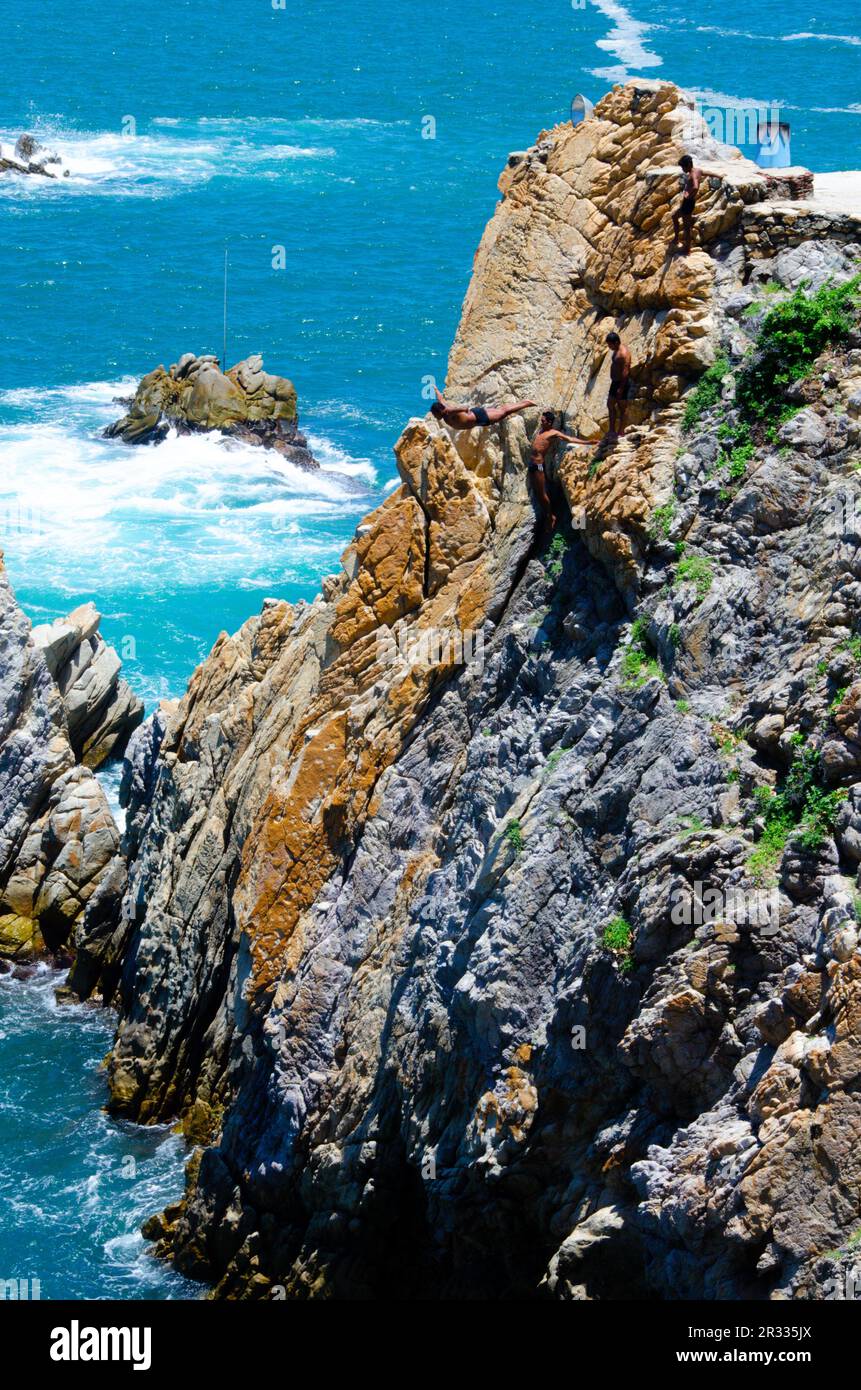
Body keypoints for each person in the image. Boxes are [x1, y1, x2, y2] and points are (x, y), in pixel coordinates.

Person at [529, 410, 590, 530]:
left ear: (549, 422)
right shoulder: (541, 431)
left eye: (543, 421)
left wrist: (588, 442)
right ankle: (547, 515)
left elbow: (569, 439)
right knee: (537, 493)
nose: (541, 423)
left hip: (538, 466)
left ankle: (550, 516)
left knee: (542, 494)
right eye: (541, 420)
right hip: (531, 465)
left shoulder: (553, 433)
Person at [429, 386, 536, 431]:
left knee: (503, 412)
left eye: (435, 414)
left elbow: (465, 408)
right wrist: (436, 389)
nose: (434, 416)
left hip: (478, 418)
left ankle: (527, 403)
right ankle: (524, 402)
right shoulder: (444, 407)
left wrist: (458, 410)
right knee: (502, 410)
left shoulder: (449, 412)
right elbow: (440, 398)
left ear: (441, 411)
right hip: (476, 416)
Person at [671, 155, 702, 257]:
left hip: (688, 203)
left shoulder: (692, 174)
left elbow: (696, 186)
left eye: (683, 167)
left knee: (686, 227)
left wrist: (689, 194)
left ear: (688, 165)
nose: (682, 169)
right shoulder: (697, 170)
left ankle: (688, 249)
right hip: (688, 203)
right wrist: (719, 175)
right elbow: (707, 173)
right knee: (674, 216)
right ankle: (676, 238)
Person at [605, 332, 632, 440]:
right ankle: (611, 430)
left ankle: (621, 432)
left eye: (610, 345)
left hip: (622, 383)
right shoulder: (616, 349)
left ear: (616, 342)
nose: (609, 347)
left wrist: (621, 388)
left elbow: (626, 372)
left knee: (622, 408)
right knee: (610, 404)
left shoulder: (624, 353)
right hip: (615, 382)